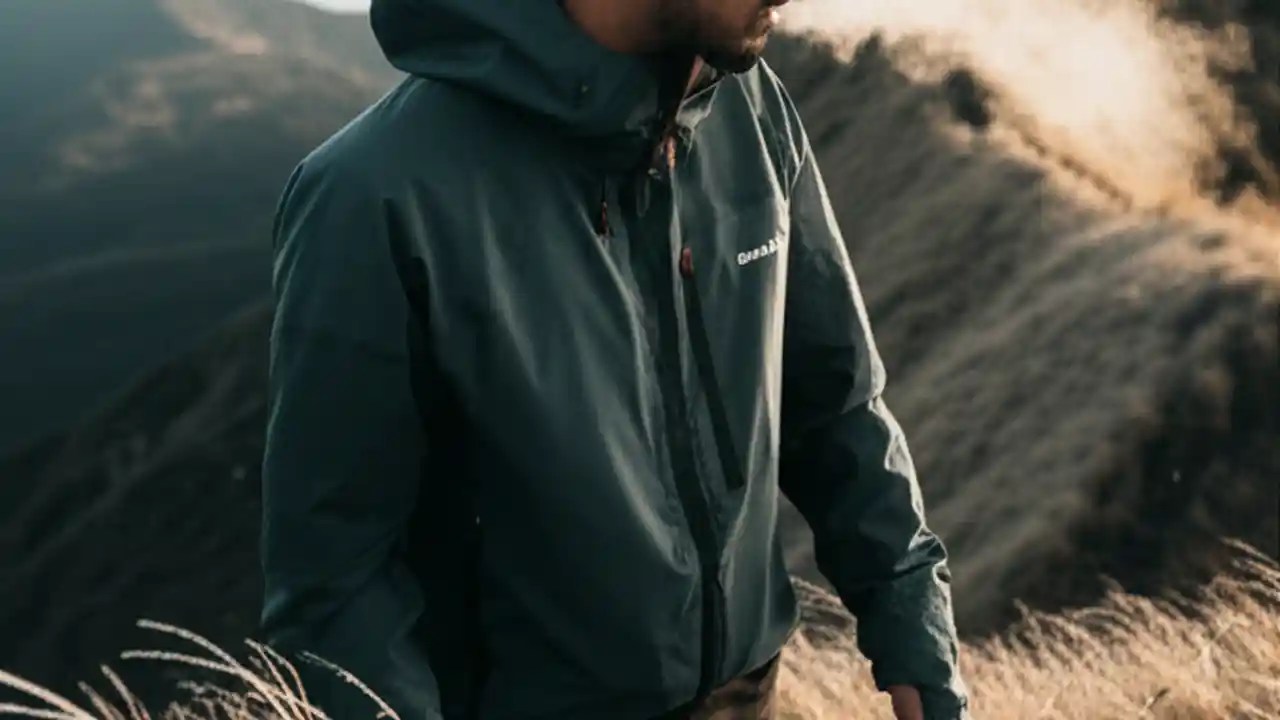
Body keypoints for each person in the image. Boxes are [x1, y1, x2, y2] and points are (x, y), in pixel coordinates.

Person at [258, 0, 970, 718]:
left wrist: (913, 626)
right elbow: (335, 580)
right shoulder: (371, 193)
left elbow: (837, 406)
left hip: (750, 698)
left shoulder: (752, 111)